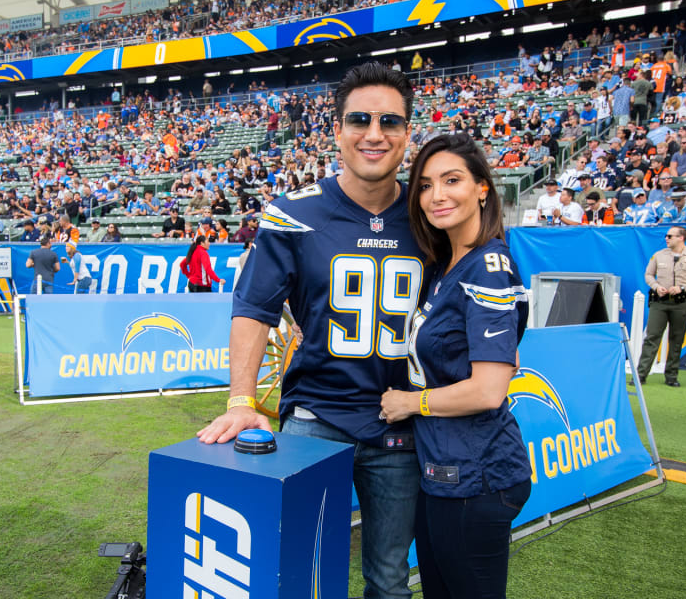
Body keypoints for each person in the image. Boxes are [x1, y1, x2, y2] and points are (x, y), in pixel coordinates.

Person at [197, 62, 422, 599]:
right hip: (316, 416)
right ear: (338, 130)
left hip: (404, 424)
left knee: (389, 581)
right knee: (294, 572)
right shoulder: (292, 214)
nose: (375, 133)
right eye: (360, 119)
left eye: (390, 121)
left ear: (408, 133)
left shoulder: (431, 212)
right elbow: (254, 308)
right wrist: (239, 400)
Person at [377, 132, 532, 597]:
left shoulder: (488, 265)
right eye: (425, 185)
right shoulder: (448, 265)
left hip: (476, 476)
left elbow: (489, 390)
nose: (436, 195)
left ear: (483, 187)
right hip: (442, 470)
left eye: (452, 180)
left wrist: (410, 401)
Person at [637, 226, 686, 386]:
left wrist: (683, 288)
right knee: (652, 337)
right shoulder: (659, 255)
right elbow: (648, 274)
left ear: (681, 238)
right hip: (660, 301)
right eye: (666, 236)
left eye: (670, 236)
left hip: (682, 302)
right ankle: (641, 375)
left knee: (676, 339)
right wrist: (656, 286)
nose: (666, 238)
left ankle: (671, 377)